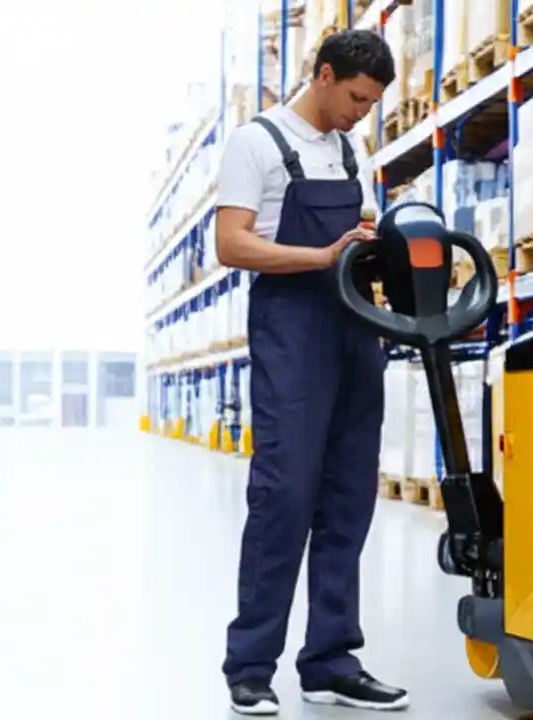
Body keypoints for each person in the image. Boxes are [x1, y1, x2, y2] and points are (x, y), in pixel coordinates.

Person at [213, 29, 406, 716]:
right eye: (356, 97)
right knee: (284, 497)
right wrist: (323, 256)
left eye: (372, 102)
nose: (362, 111)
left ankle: (330, 660)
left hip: (355, 332)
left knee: (348, 499)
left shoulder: (351, 149)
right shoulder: (257, 142)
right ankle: (250, 666)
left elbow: (357, 231)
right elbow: (231, 243)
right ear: (324, 76)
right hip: (292, 330)